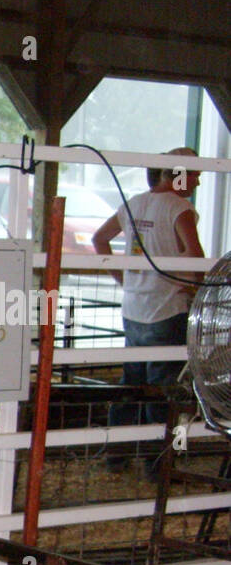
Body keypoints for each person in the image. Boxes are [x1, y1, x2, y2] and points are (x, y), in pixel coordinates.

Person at [92, 146, 206, 469]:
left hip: (134, 309)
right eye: (195, 175)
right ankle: (160, 464)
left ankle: (117, 454)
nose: (197, 183)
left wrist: (124, 279)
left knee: (132, 382)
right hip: (167, 309)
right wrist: (196, 288)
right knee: (165, 387)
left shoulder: (134, 204)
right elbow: (195, 256)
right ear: (179, 174)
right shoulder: (179, 207)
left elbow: (100, 240)